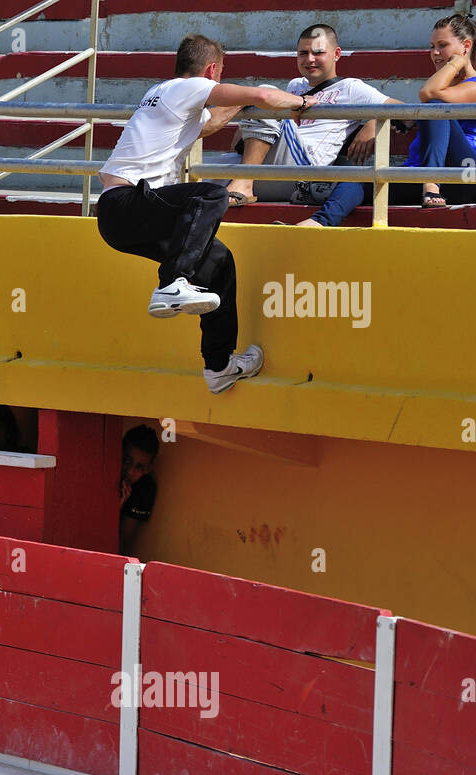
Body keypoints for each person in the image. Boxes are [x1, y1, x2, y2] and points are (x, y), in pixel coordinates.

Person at [95, 34, 314, 395]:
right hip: (128, 203)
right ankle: (172, 283)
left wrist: (240, 107)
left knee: (218, 260)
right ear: (212, 70)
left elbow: (209, 125)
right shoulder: (191, 86)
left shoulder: (163, 94)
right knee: (212, 193)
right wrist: (303, 100)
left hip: (120, 217)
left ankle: (219, 366)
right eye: (219, 74)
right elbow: (262, 97)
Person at [302, 13, 476, 224]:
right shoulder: (442, 89)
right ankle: (317, 223)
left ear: (466, 46)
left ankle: (431, 182)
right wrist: (377, 121)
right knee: (359, 180)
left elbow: (429, 95)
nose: (435, 53)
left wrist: (456, 64)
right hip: (420, 179)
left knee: (434, 108)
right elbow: (415, 111)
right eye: (432, 46)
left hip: (467, 176)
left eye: (442, 45)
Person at [222, 24, 397, 207]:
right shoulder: (295, 85)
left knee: (267, 92)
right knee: (204, 170)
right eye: (303, 53)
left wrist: (373, 122)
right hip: (275, 168)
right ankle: (241, 182)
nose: (310, 59)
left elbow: (401, 109)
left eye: (318, 52)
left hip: (306, 171)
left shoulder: (351, 87)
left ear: (337, 54)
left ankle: (243, 181)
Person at [119, 425, 159, 555]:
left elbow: (121, 546)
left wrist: (116, 508)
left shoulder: (144, 489)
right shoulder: (103, 468)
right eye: (127, 461)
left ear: (149, 469)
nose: (130, 471)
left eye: (139, 467)